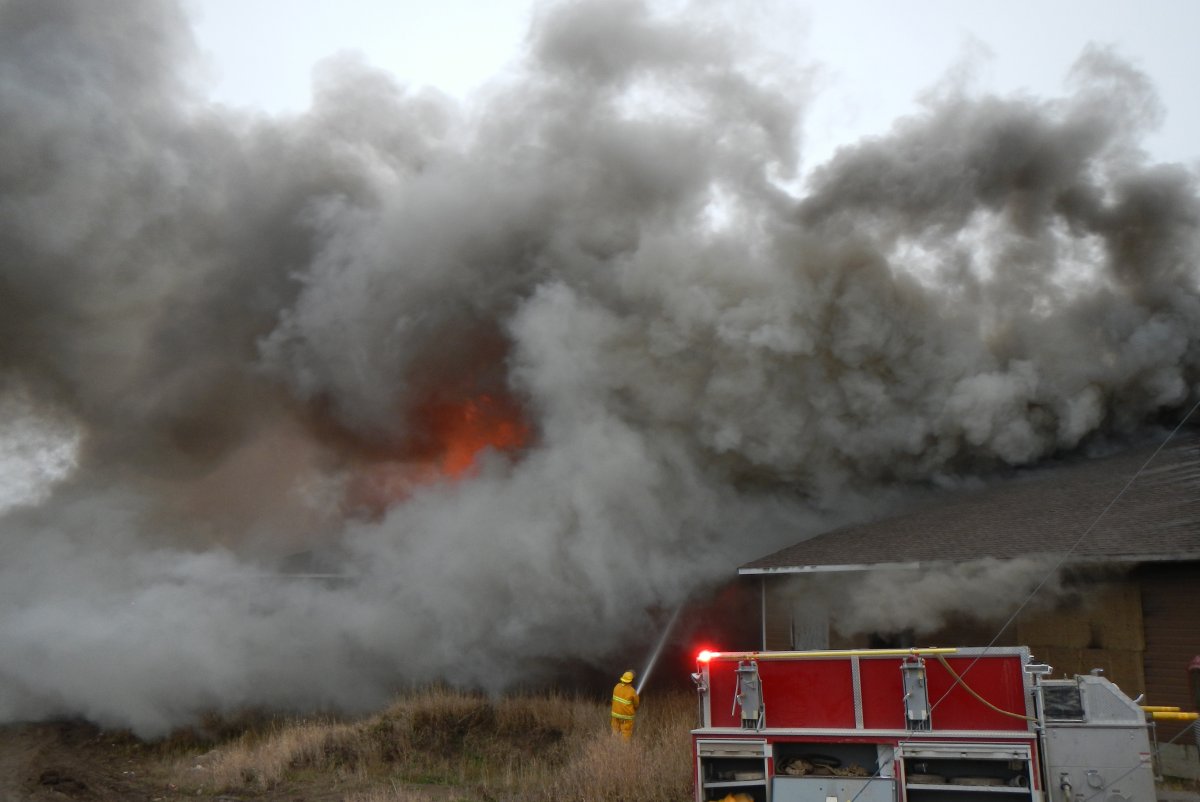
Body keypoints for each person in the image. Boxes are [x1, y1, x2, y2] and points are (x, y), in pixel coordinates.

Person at [610, 669, 640, 740]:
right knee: (625, 735)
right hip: (626, 718)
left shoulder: (616, 687)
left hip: (615, 716)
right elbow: (636, 704)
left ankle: (612, 745)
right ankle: (623, 747)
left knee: (615, 733)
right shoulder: (632, 691)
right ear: (631, 680)